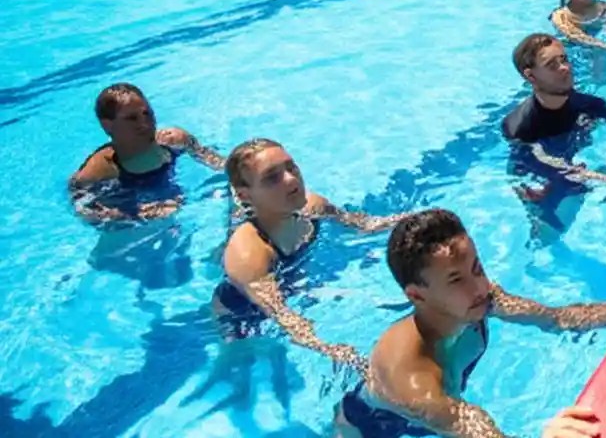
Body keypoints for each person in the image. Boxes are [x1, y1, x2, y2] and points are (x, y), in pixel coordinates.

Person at [336, 208, 606, 437]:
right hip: (375, 427)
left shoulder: (479, 301)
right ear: (417, 296)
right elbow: (470, 424)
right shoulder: (413, 381)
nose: (481, 287)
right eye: (456, 280)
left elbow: (557, 319)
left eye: (477, 268)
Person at [213, 138, 411, 352]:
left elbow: (366, 225)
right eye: (272, 178)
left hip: (289, 280)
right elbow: (287, 320)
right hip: (244, 313)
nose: (291, 180)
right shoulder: (249, 253)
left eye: (291, 167)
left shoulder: (312, 207)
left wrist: (416, 218)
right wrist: (340, 353)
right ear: (245, 195)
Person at [503, 34, 606, 203]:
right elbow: (538, 171)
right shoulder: (519, 127)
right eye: (552, 65)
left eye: (564, 59)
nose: (565, 68)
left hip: (578, 164)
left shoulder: (587, 105)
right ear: (530, 76)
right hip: (548, 186)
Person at [69, 83, 224, 221]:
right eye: (132, 118)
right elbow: (83, 209)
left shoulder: (173, 142)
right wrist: (133, 216)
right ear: (107, 126)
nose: (144, 123)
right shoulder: (101, 168)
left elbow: (217, 162)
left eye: (147, 114)